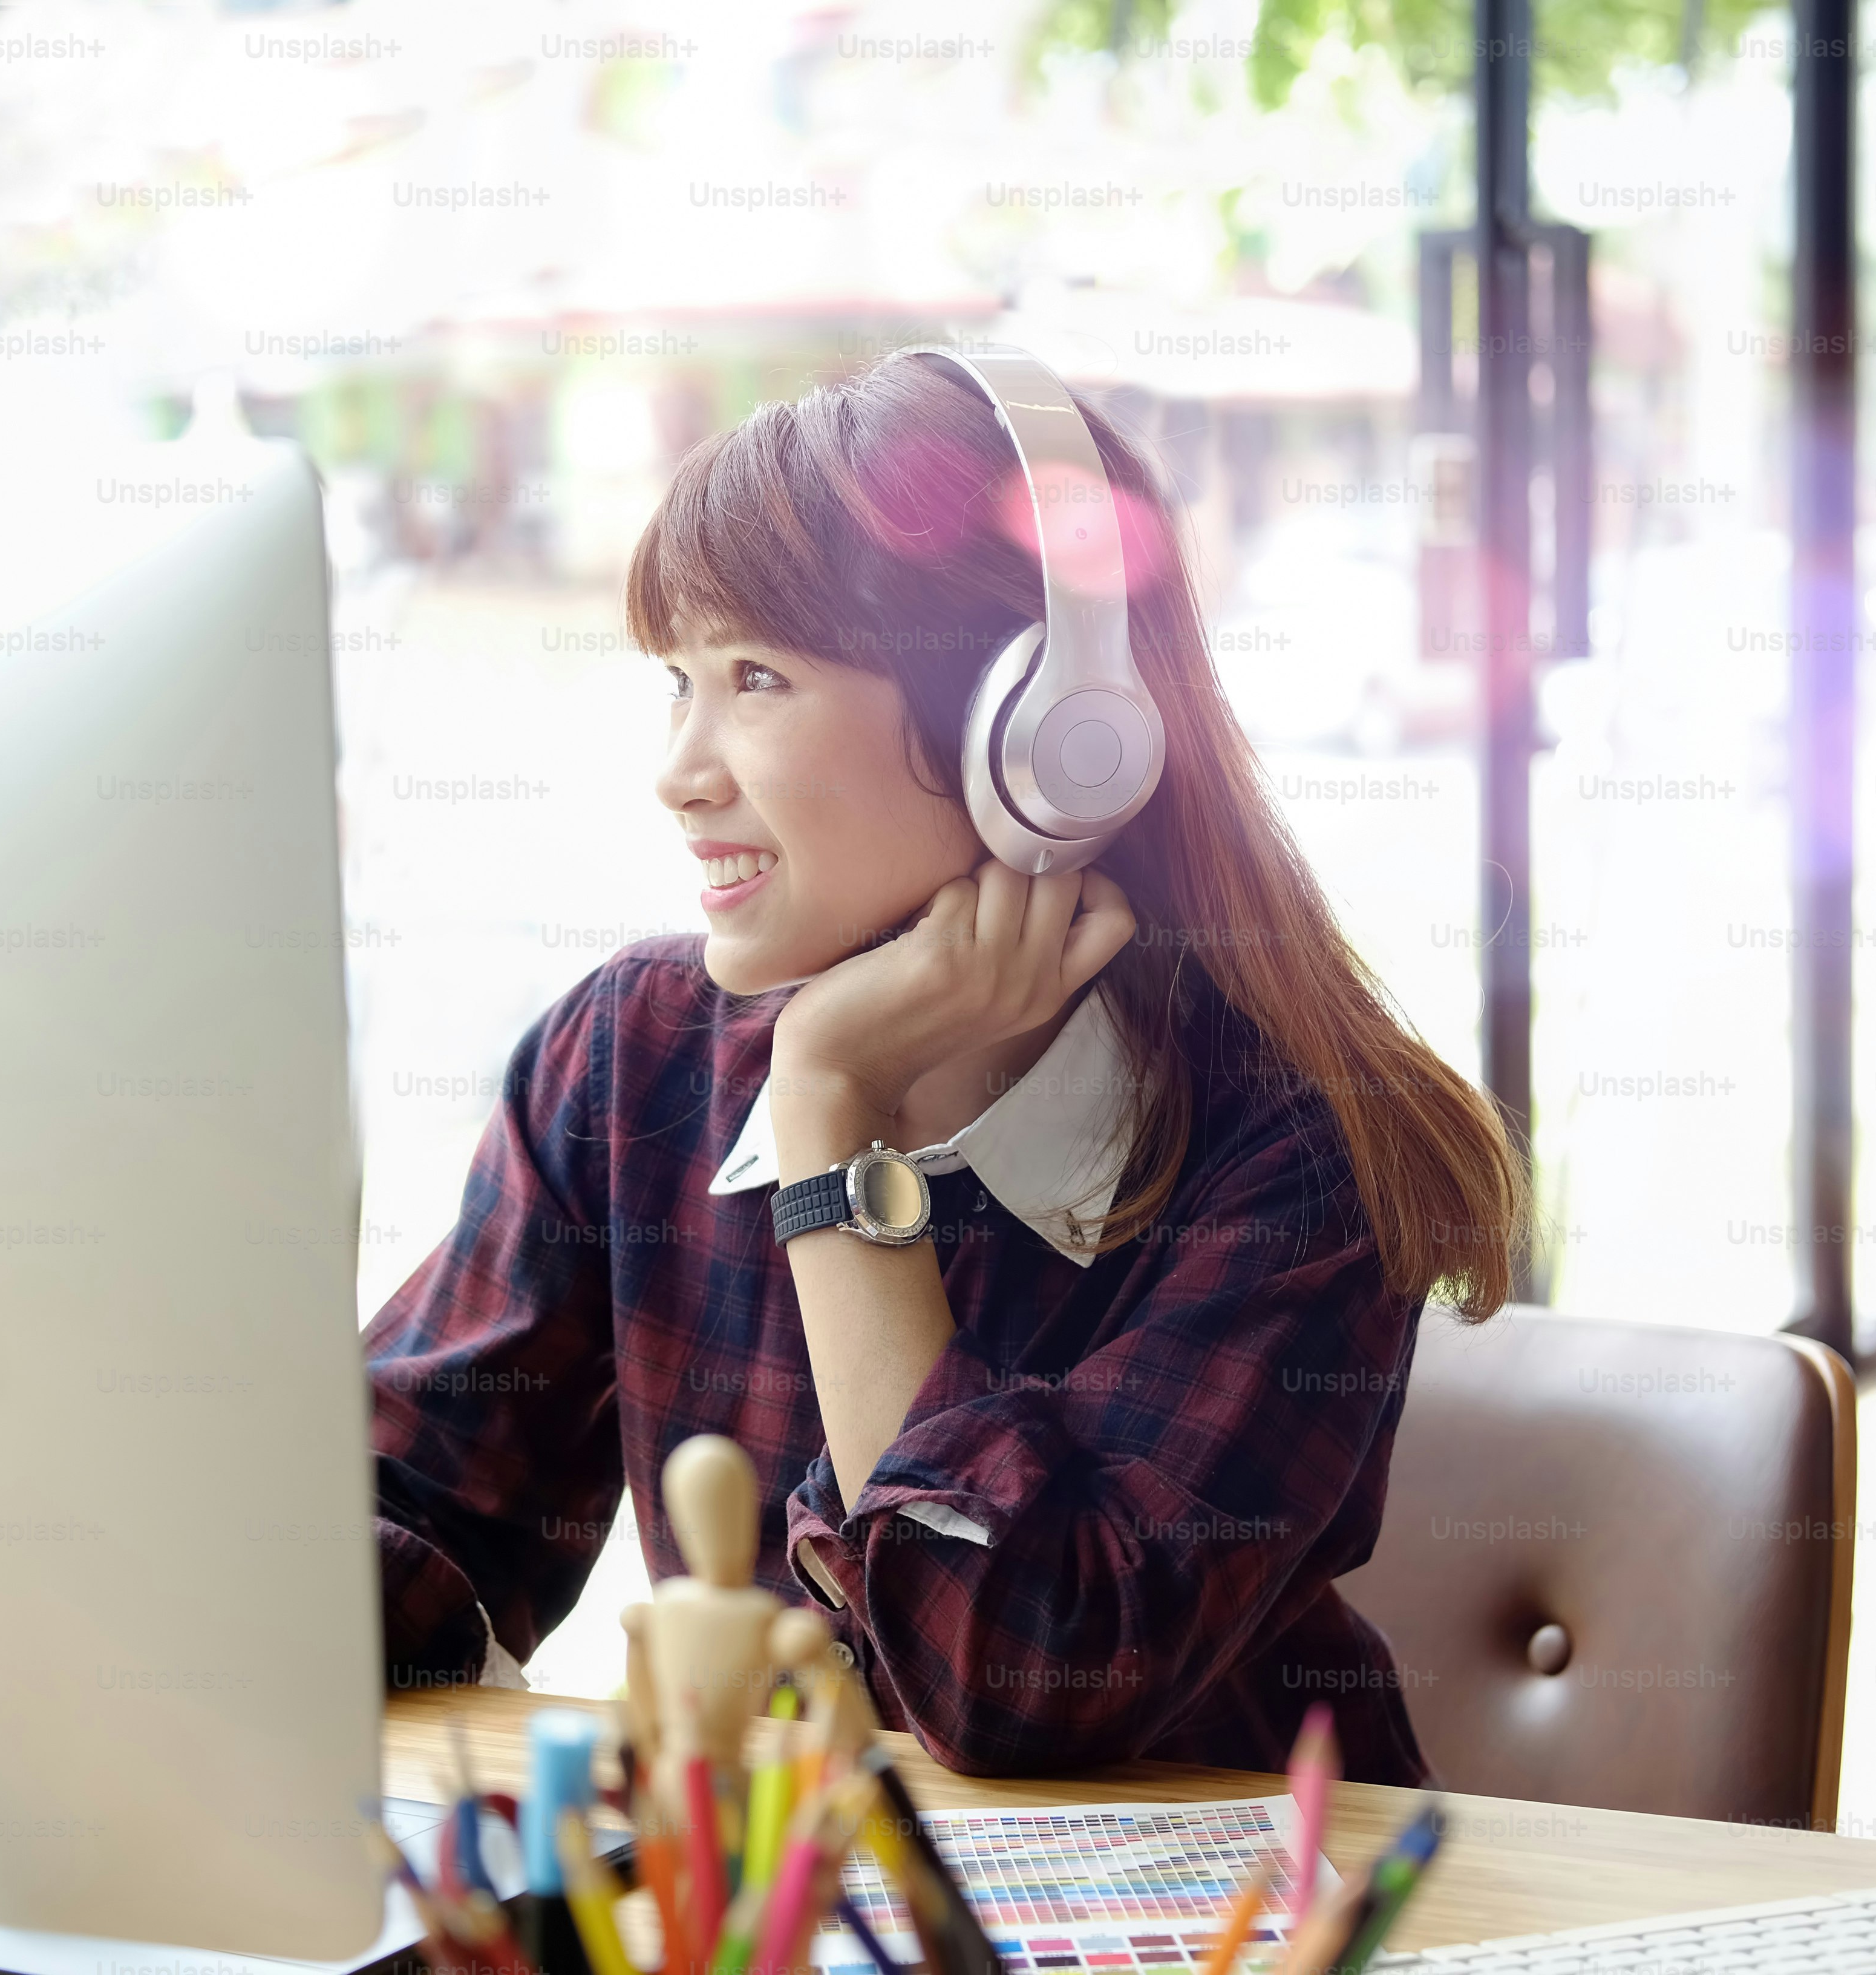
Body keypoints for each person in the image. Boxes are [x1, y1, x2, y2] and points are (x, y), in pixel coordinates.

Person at [363, 352, 1528, 1783]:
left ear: (1042, 729)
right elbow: (414, 1517)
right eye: (679, 680)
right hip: (790, 1916)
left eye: (757, 679)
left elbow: (1018, 1678)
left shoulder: (1298, 1149)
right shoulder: (633, 1061)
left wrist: (830, 1114)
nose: (681, 767)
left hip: (1223, 1931)